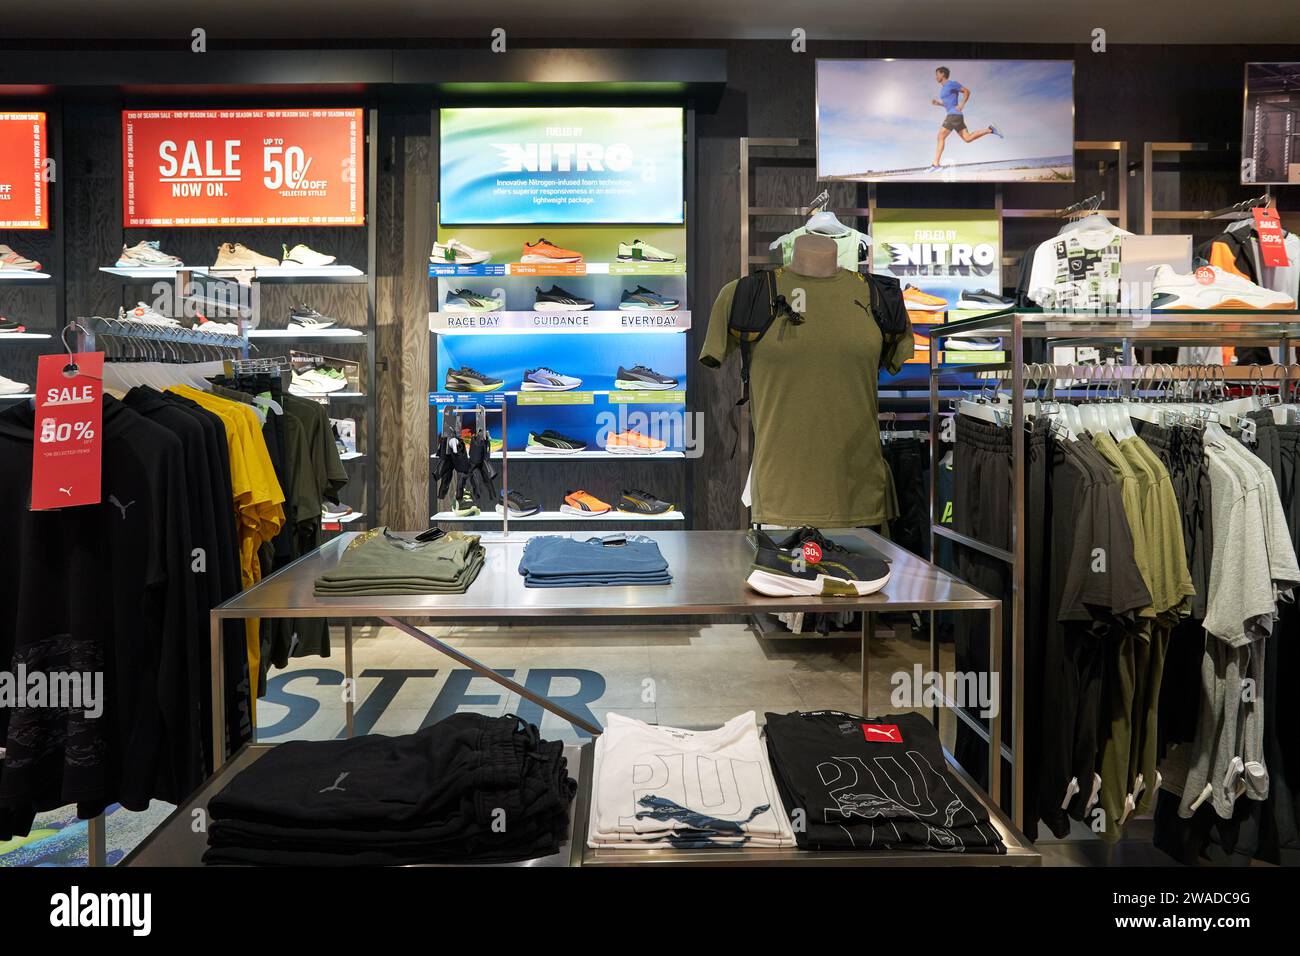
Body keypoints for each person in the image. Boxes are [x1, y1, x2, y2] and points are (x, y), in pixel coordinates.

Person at [929, 66, 1002, 172]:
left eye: (937, 74)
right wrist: (938, 104)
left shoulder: (951, 83)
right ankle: (990, 129)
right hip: (955, 115)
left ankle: (935, 164)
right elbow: (948, 104)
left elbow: (967, 91)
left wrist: (962, 104)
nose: (935, 77)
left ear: (943, 74)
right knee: (967, 138)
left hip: (953, 115)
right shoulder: (943, 89)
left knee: (940, 136)